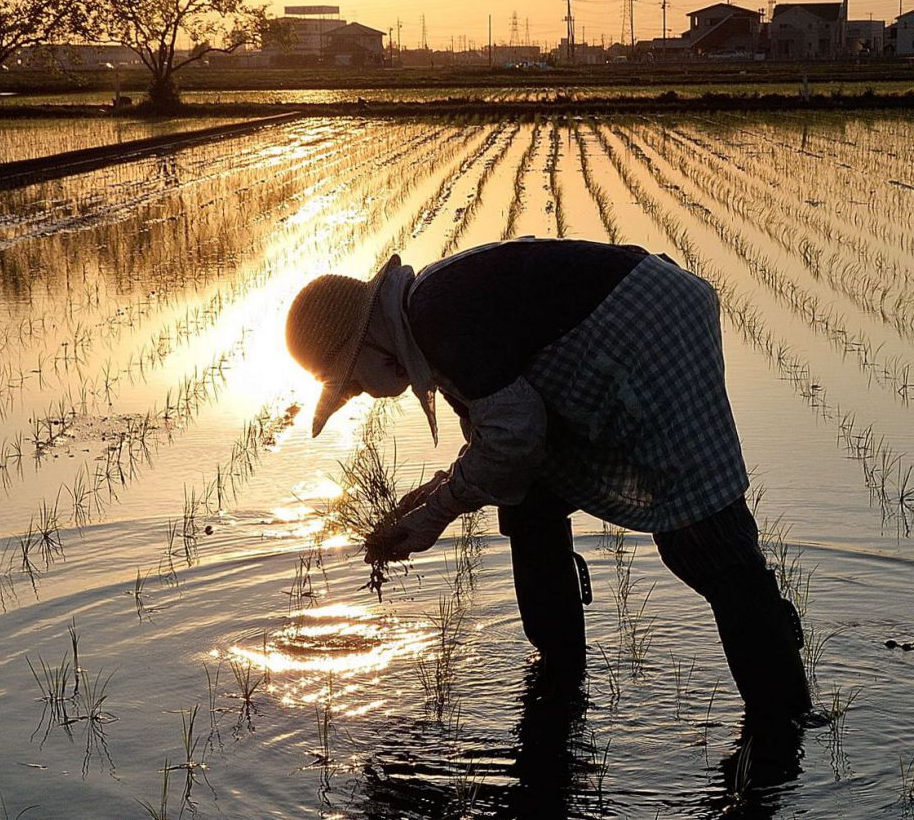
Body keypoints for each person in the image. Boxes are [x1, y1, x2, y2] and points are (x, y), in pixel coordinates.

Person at [285, 238, 811, 727]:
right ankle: (560, 671)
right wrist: (436, 493)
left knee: (700, 537)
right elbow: (502, 437)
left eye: (353, 384)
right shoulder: (427, 316)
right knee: (530, 503)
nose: (365, 395)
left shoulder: (435, 316)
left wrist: (437, 514)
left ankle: (783, 717)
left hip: (651, 330)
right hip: (623, 334)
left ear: (368, 345)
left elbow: (514, 435)